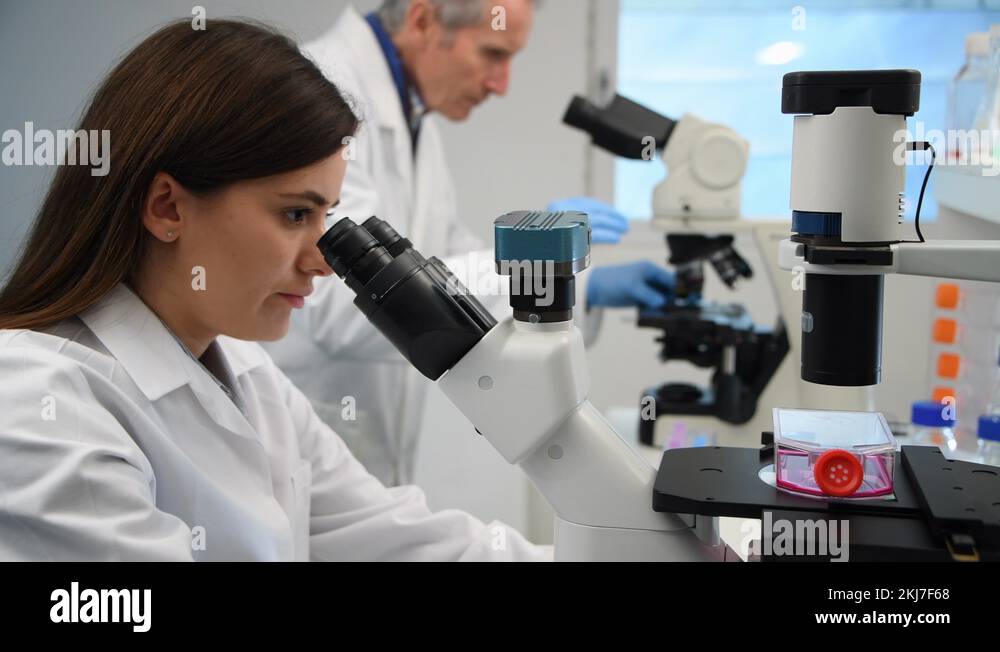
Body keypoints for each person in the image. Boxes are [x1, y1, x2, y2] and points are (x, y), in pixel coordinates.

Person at [0, 19, 547, 561]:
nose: (324, 263)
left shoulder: (248, 374)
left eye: (328, 217)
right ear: (167, 207)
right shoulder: (41, 403)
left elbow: (397, 537)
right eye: (294, 214)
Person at [264, 0, 676, 485]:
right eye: (493, 53)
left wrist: (571, 281)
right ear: (422, 20)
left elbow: (444, 248)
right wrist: (532, 267)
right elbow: (340, 296)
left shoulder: (416, 115)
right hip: (306, 437)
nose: (502, 85)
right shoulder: (323, 93)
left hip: (365, 449)